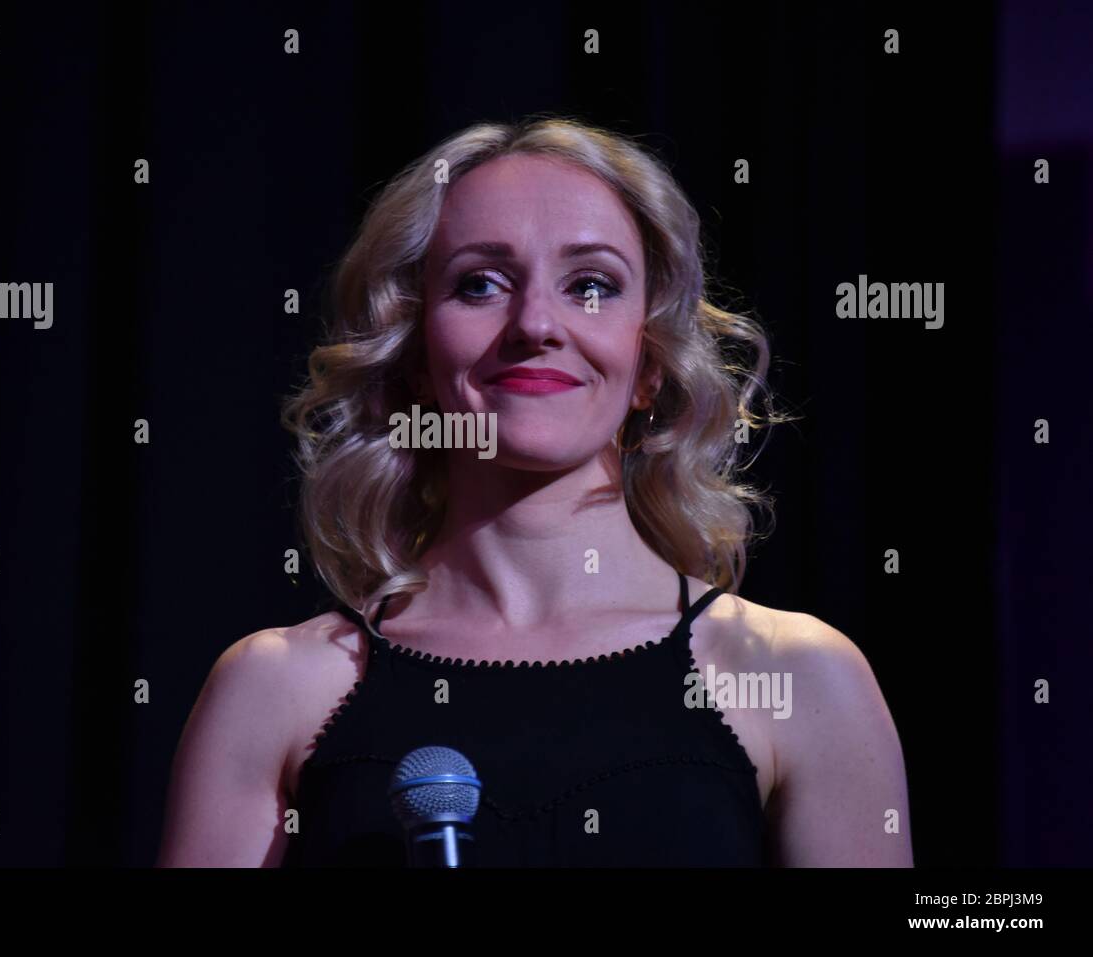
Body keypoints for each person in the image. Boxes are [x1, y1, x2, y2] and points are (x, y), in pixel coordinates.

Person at [156, 116, 913, 867]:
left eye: (591, 284)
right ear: (416, 356)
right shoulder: (276, 687)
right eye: (480, 283)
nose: (536, 323)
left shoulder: (795, 674)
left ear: (651, 359)